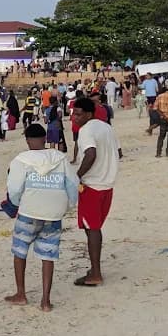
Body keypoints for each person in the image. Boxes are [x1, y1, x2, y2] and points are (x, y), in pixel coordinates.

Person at [3, 124, 79, 312]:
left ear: (27, 140)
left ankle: (21, 294)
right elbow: (72, 184)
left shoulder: (21, 160)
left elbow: (14, 189)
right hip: (53, 214)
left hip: (29, 212)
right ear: (45, 138)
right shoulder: (60, 158)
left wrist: (17, 203)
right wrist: (67, 206)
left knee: (20, 252)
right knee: (48, 255)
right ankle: (45, 301)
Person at [71, 97, 122, 287]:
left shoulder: (86, 130)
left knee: (92, 228)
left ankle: (96, 273)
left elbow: (91, 154)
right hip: (108, 184)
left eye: (78, 114)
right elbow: (118, 152)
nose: (74, 118)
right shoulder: (107, 127)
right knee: (93, 227)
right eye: (73, 114)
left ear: (88, 114)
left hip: (92, 185)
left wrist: (77, 176)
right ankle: (94, 269)